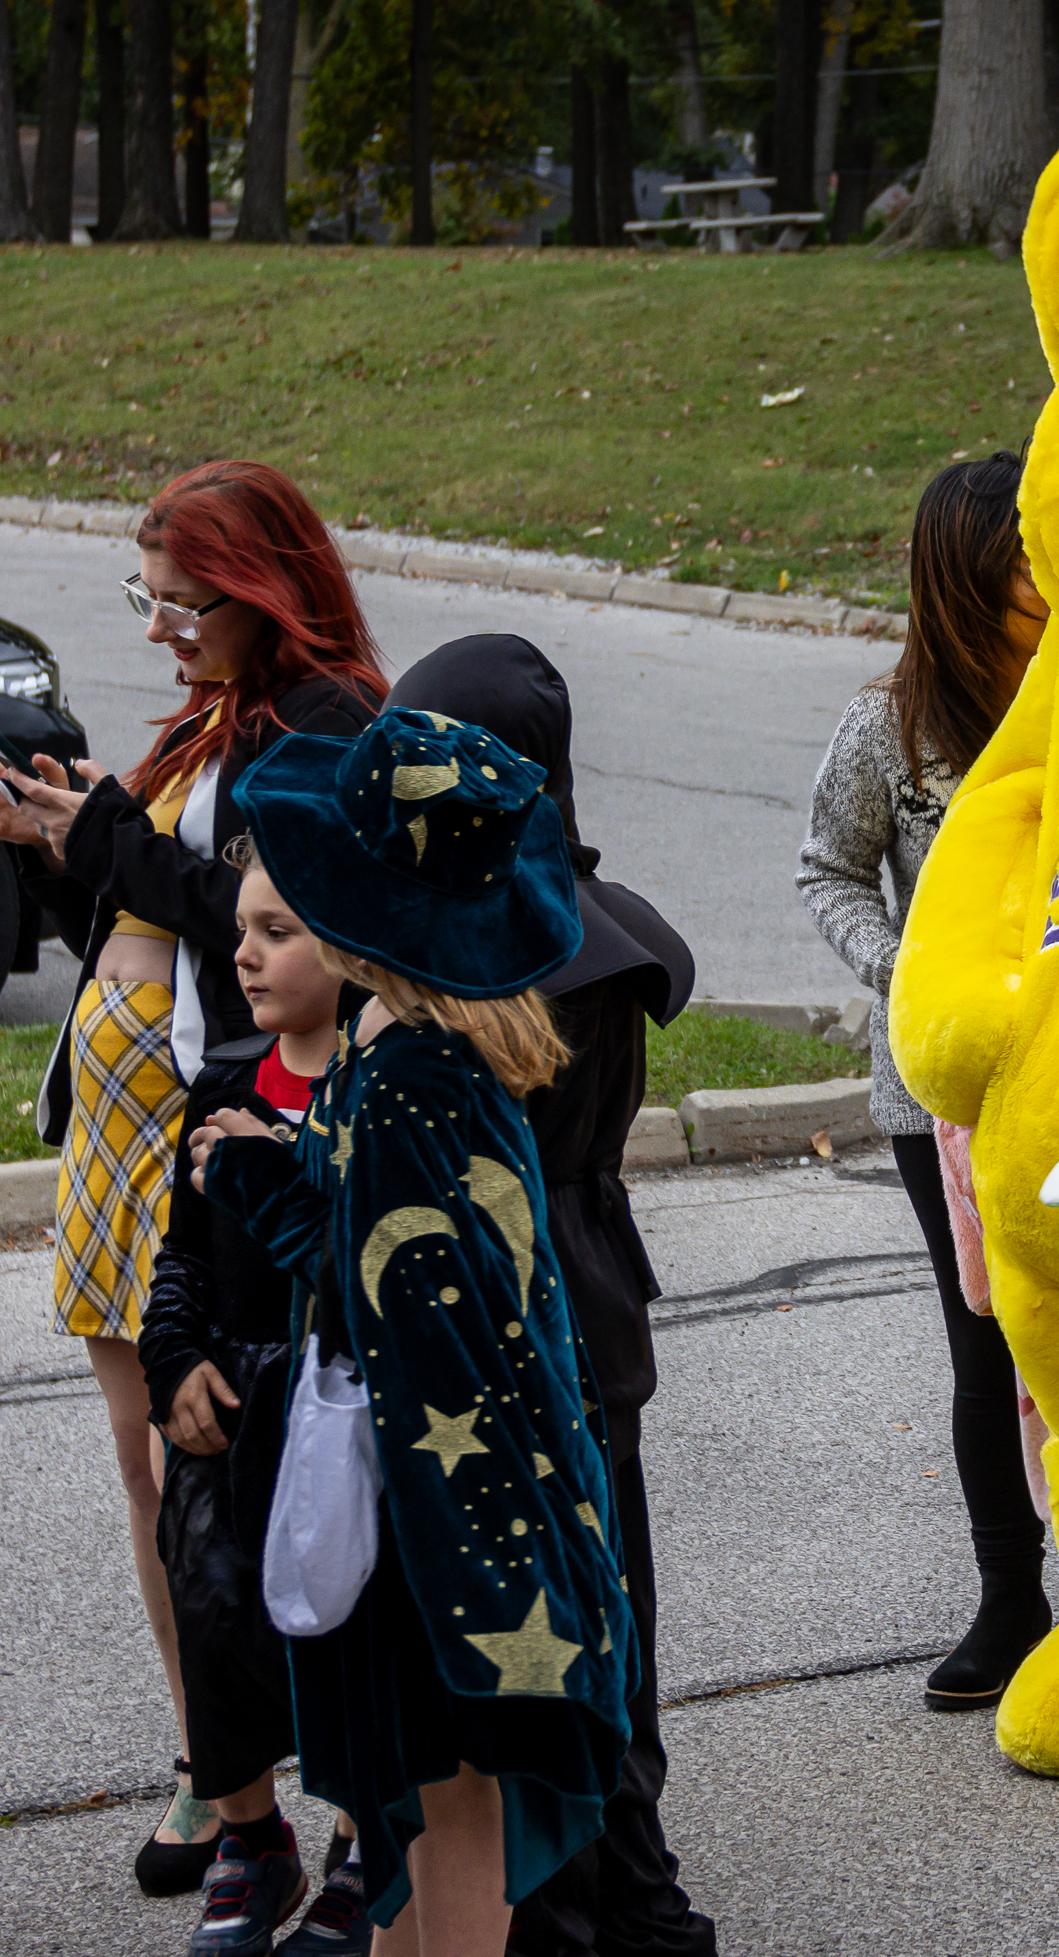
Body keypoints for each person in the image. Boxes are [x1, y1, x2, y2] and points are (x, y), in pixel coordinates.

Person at [0, 460, 389, 1892]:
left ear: (263, 593)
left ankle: (342, 1808)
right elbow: (168, 904)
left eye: (181, 603)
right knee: (165, 1465)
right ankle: (227, 1782)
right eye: (143, 600)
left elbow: (280, 919)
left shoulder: (326, 724)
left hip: (247, 1113)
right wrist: (70, 841)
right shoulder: (219, 716)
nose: (157, 629)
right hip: (152, 1118)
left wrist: (110, 841)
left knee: (274, 1459)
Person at [193, 707, 638, 1956]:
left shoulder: (399, 1080)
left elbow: (392, 1310)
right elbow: (403, 1261)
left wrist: (257, 1187)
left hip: (440, 1530)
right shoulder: (428, 1051)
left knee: (451, 1812)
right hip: (486, 1499)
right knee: (450, 1820)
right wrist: (290, 1176)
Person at [388, 635, 713, 1957]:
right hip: (596, 1298)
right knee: (607, 1614)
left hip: (521, 1322)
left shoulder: (498, 951)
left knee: (548, 1640)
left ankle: (573, 1913)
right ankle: (636, 1895)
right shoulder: (579, 918)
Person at [796, 454, 1051, 1711]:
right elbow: (825, 871)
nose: (1045, 578)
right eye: (1021, 557)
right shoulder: (888, 729)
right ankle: (1012, 1603)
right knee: (989, 1347)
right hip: (943, 1089)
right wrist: (906, 970)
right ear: (962, 577)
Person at [139, 842, 357, 1955]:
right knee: (215, 1610)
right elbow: (177, 1252)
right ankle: (251, 1837)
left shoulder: (375, 1089)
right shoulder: (225, 1080)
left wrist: (290, 1165)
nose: (246, 953)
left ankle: (371, 1841)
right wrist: (171, 1355)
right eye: (243, 930)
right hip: (227, 1405)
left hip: (333, 1410)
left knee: (350, 1628)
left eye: (279, 932)